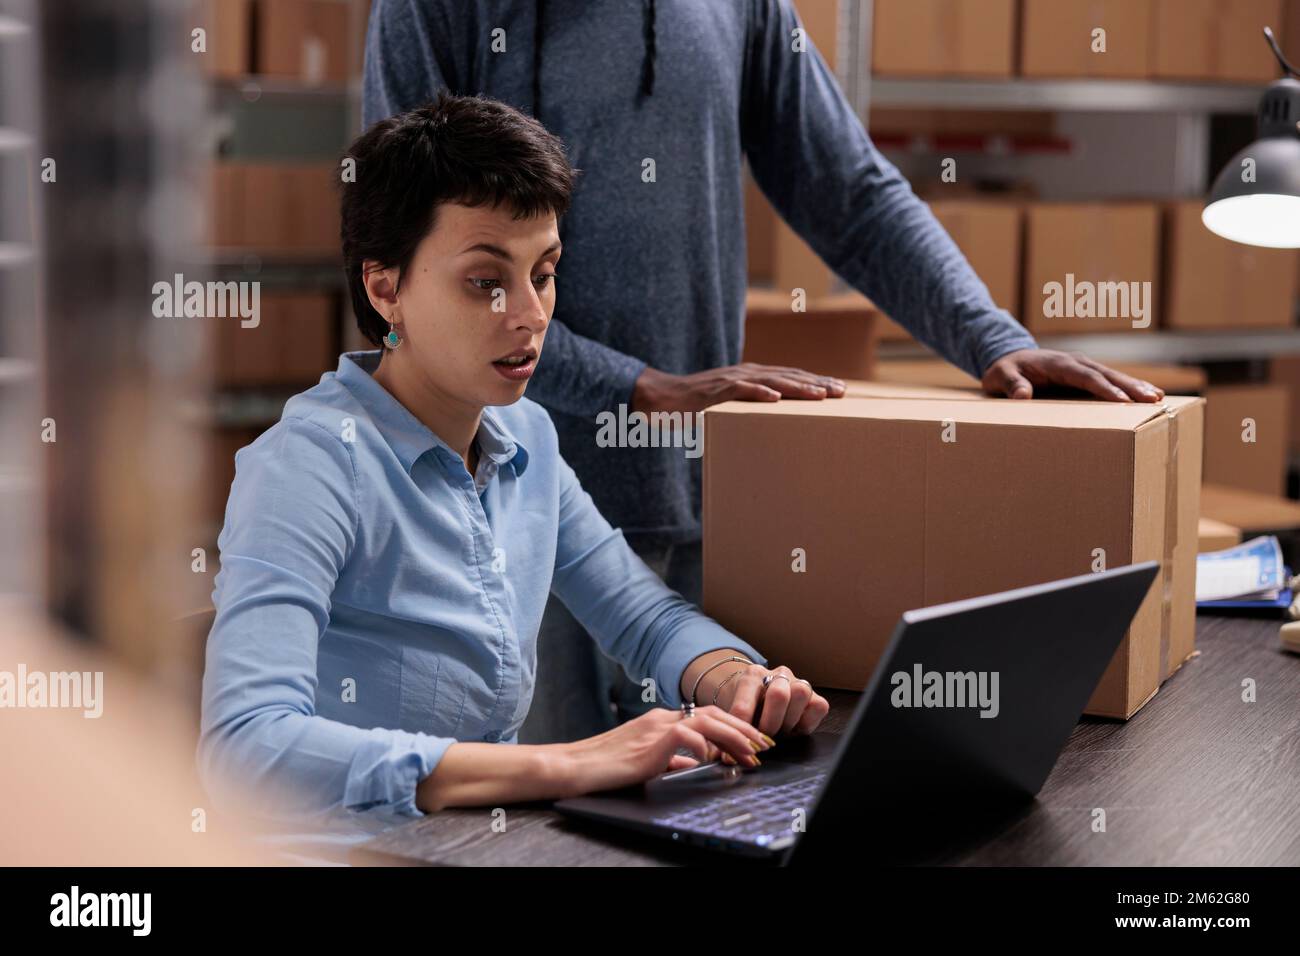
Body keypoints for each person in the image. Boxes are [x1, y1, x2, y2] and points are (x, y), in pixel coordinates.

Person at [362, 0, 1168, 743]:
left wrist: (992, 340)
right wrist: (635, 386)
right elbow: (412, 254)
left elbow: (849, 192)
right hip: (512, 501)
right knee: (536, 820)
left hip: (713, 496)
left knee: (700, 804)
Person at [197, 94, 827, 844]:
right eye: (485, 280)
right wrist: (565, 765)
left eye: (545, 272)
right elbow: (247, 747)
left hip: (475, 845)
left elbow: (645, 616)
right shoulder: (309, 466)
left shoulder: (524, 436)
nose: (531, 314)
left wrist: (734, 679)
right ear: (384, 288)